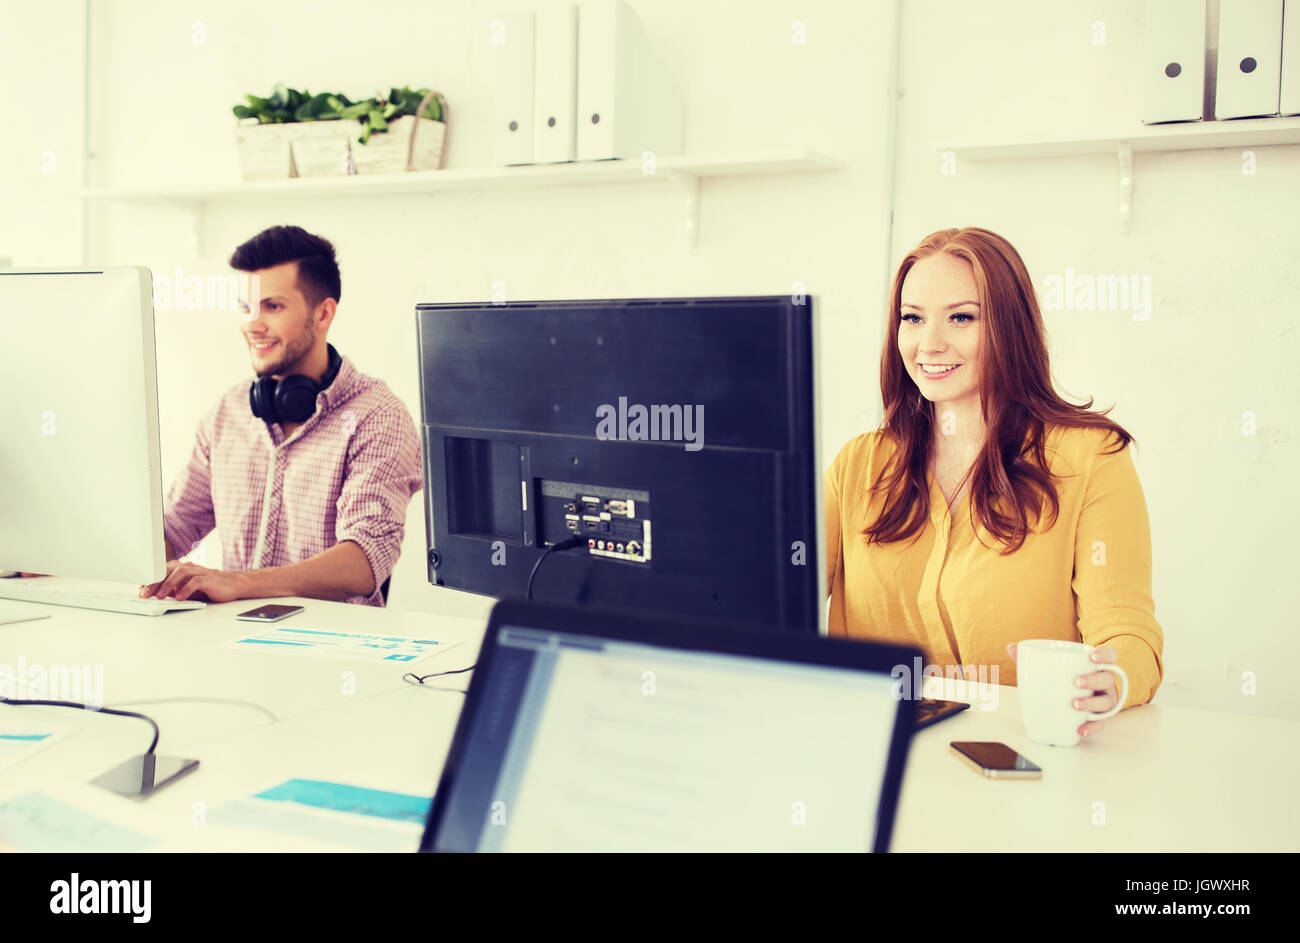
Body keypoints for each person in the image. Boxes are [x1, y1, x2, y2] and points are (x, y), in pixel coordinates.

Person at [824, 226, 1163, 737]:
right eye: (912, 318)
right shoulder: (859, 464)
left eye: (962, 317)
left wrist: (1107, 678)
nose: (929, 343)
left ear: (1011, 327)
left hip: (1022, 755)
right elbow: (774, 600)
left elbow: (1126, 628)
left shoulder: (1091, 457)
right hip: (873, 752)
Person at [140, 225, 422, 607]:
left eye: (273, 306)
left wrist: (238, 583)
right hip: (232, 641)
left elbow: (366, 561)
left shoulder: (378, 415)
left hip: (331, 653)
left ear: (323, 314)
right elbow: (174, 528)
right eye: (245, 307)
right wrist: (67, 562)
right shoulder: (229, 411)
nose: (252, 325)